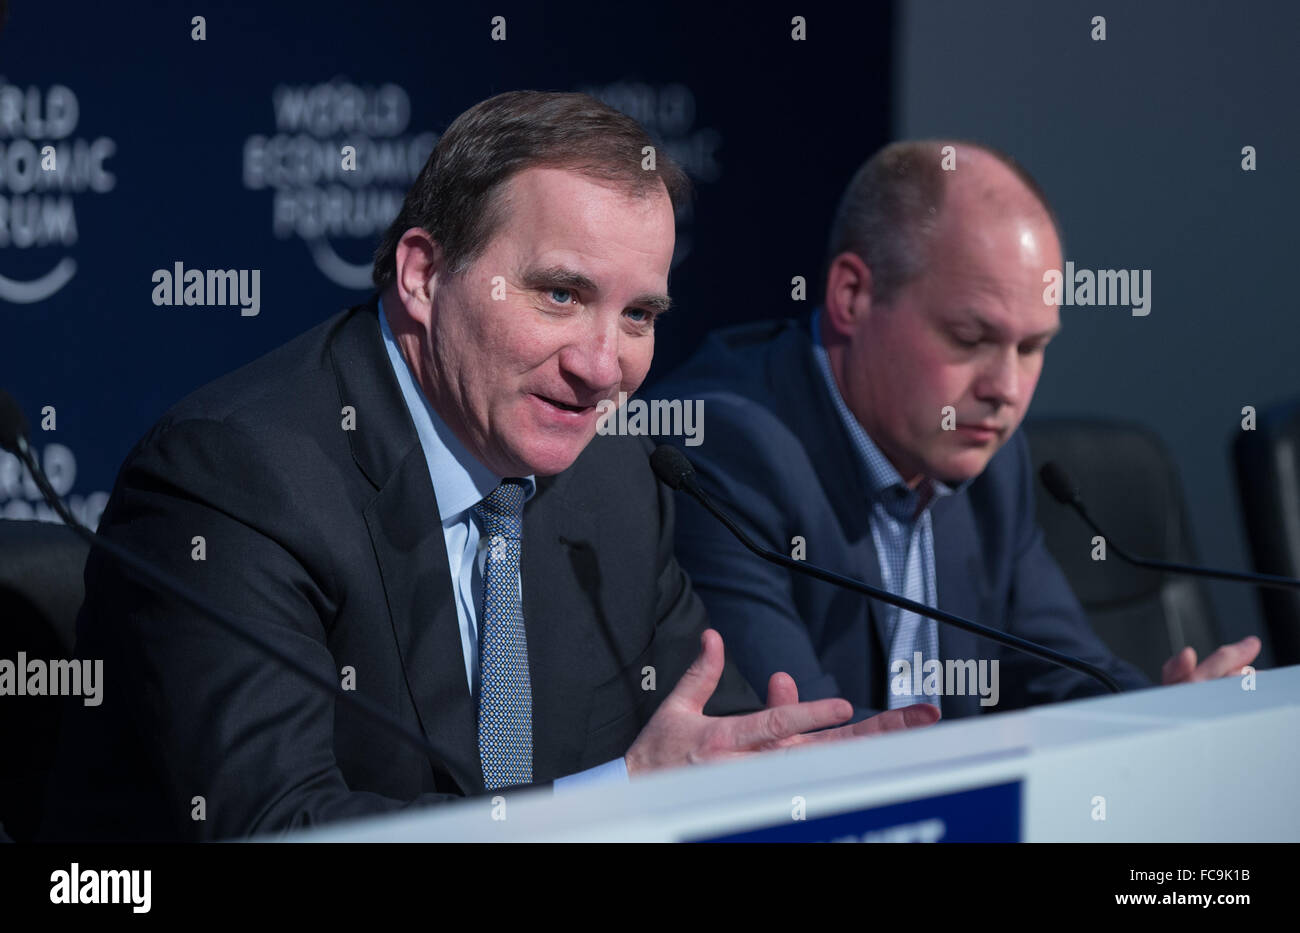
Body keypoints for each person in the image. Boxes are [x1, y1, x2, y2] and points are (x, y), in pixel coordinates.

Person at [39, 92, 937, 842]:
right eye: (561, 293)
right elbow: (276, 826)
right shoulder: (236, 478)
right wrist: (622, 802)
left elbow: (702, 750)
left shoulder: (617, 486)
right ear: (424, 275)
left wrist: (793, 789)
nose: (602, 365)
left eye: (638, 315)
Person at [652, 140, 1260, 720]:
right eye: (972, 339)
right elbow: (796, 739)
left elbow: (1070, 677)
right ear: (852, 296)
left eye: (1032, 347)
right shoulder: (726, 449)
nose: (1007, 389)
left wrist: (1156, 713)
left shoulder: (993, 461)